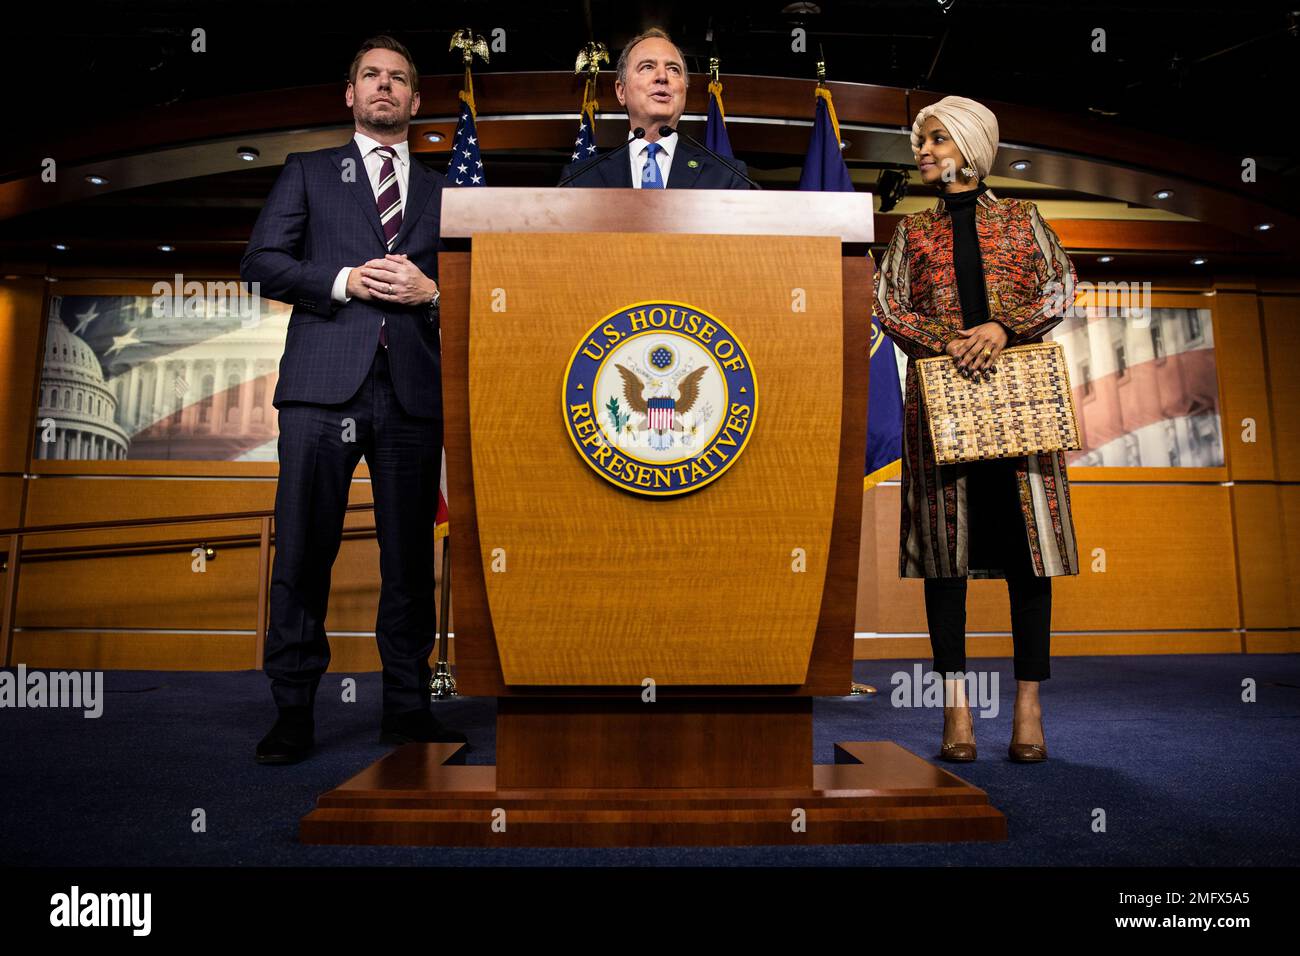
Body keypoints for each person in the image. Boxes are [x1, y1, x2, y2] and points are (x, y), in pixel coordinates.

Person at [241, 35, 465, 765]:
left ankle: (406, 708)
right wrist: (343, 281)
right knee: (304, 552)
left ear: (416, 101)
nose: (384, 87)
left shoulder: (444, 191)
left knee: (408, 561)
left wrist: (433, 293)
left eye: (399, 79)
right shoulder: (307, 173)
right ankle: (294, 712)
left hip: (411, 394)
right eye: (371, 76)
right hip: (319, 391)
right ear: (350, 93)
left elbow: (478, 286)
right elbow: (261, 263)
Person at [874, 95, 1080, 764]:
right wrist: (952, 341)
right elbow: (886, 303)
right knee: (945, 563)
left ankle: (1027, 708)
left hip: (1019, 408)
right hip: (939, 407)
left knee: (1028, 560)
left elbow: (1061, 286)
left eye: (935, 139)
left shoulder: (1023, 219)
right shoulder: (912, 231)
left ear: (968, 145)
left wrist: (1002, 329)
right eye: (920, 141)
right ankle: (956, 712)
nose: (923, 151)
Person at [560, 28, 752, 189]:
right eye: (647, 67)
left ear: (684, 90)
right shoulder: (579, 180)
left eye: (673, 69)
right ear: (621, 91)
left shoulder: (727, 176)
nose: (662, 76)